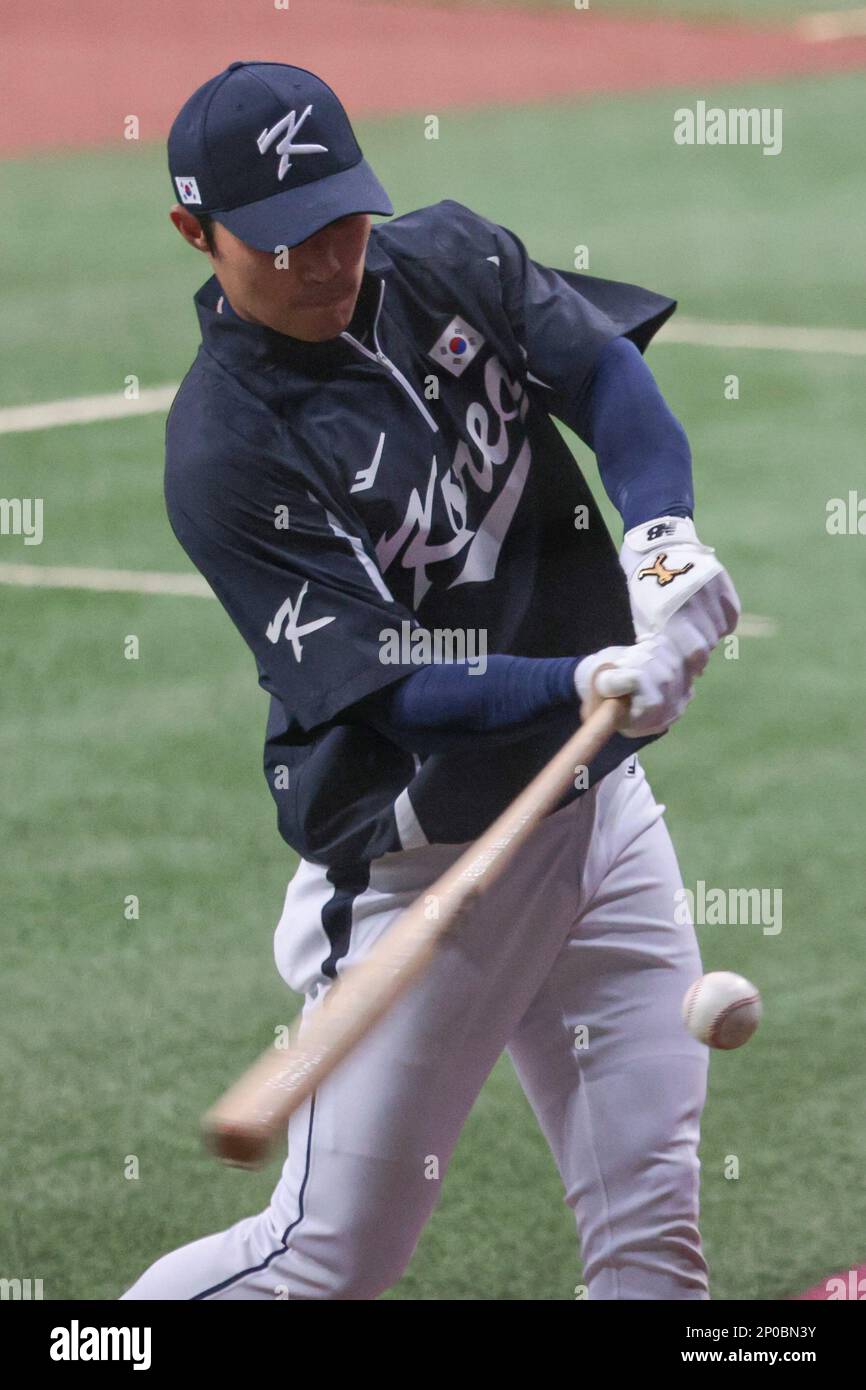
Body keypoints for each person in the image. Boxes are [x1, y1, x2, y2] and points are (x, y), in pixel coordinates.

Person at [122, 60, 739, 1300]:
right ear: (197, 232)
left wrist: (660, 538)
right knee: (321, 1265)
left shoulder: (451, 257)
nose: (327, 260)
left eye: (343, 217)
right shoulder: (225, 446)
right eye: (284, 239)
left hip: (597, 821)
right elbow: (392, 684)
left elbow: (605, 377)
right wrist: (576, 675)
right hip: (422, 870)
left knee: (654, 1248)